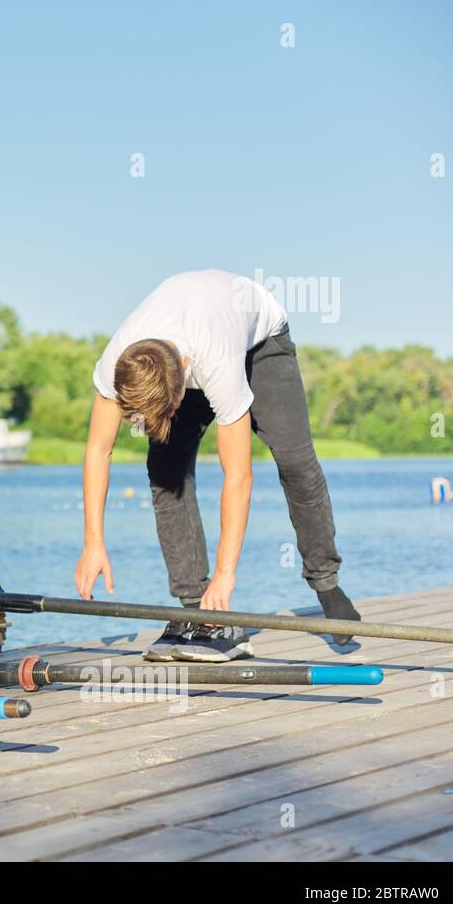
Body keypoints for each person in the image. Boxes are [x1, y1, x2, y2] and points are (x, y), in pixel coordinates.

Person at [74, 269, 361, 662]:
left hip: (260, 341)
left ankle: (326, 582)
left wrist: (227, 574)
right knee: (165, 473)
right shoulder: (118, 364)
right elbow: (97, 450)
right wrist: (93, 543)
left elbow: (238, 475)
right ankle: (196, 609)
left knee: (295, 461)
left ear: (183, 385)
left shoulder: (217, 367)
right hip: (184, 341)